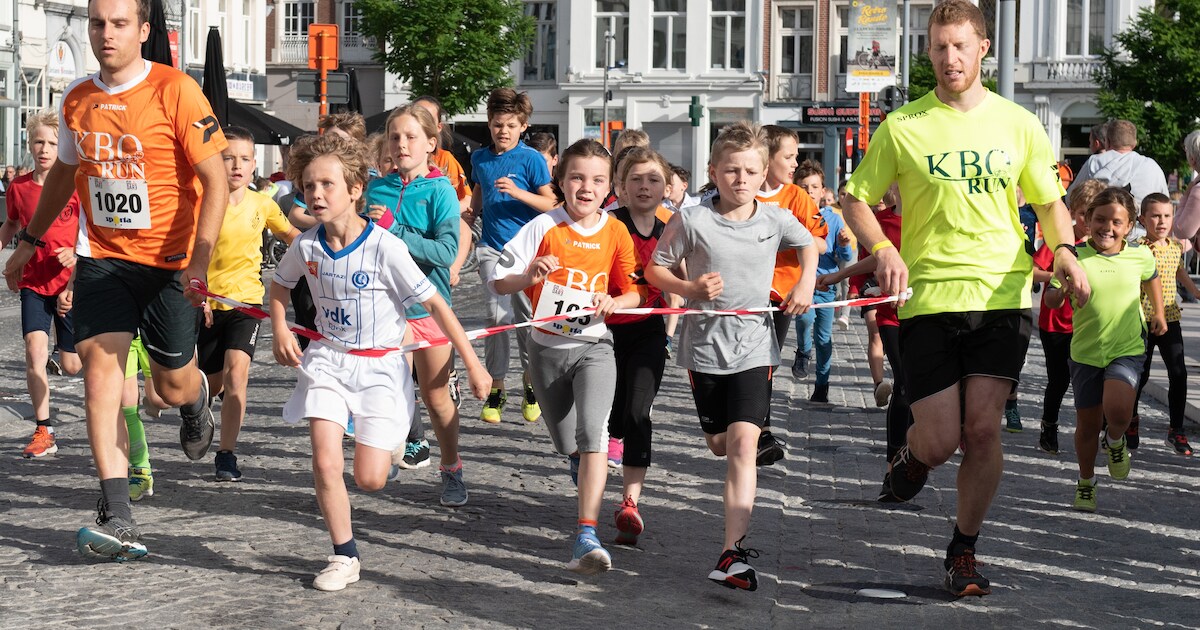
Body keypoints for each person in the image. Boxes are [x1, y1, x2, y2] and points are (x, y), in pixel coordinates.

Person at [840, 0, 1089, 597]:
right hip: (926, 298)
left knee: (982, 431)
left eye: (959, 46)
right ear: (928, 52)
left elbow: (1048, 203)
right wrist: (884, 250)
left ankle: (964, 548)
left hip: (1000, 296)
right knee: (940, 439)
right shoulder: (903, 126)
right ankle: (912, 458)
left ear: (983, 49)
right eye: (938, 46)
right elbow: (855, 200)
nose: (949, 57)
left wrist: (1065, 252)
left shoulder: (1019, 123)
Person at [2, 0, 229, 562]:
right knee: (100, 381)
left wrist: (200, 258)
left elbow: (216, 178)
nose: (106, 34)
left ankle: (197, 396)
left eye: (119, 23)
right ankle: (117, 513)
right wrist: (26, 244)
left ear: (144, 30)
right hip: (103, 260)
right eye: (97, 23)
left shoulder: (176, 91)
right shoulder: (78, 98)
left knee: (172, 386)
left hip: (170, 264)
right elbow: (66, 172)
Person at [270, 132, 488, 592]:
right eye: (309, 186)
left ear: (354, 189)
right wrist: (280, 327)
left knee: (369, 480)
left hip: (381, 369)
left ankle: (389, 440)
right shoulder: (307, 246)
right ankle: (343, 555)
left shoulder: (385, 246)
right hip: (327, 360)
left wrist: (473, 363)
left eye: (327, 185)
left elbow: (436, 307)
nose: (316, 194)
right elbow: (279, 286)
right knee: (325, 460)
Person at [646, 122, 816, 591]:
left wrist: (804, 283)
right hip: (703, 349)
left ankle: (732, 554)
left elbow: (810, 246)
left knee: (744, 445)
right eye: (731, 170)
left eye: (751, 171)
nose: (741, 179)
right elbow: (655, 270)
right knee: (720, 444)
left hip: (755, 347)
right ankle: (731, 540)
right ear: (713, 173)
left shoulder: (775, 219)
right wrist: (689, 288)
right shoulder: (693, 220)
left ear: (765, 175)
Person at [490, 138, 642, 575]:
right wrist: (527, 275)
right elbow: (500, 282)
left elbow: (633, 289)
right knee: (568, 442)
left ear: (609, 186)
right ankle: (578, 466)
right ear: (561, 182)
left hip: (596, 345)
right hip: (546, 350)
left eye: (597, 180)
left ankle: (586, 535)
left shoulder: (615, 230)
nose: (586, 188)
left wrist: (618, 302)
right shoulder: (543, 227)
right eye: (576, 177)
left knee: (594, 433)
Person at [364, 103, 474, 505]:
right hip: (384, 309)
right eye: (395, 137)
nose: (401, 144)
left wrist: (397, 230)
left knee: (436, 397)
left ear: (431, 143)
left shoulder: (440, 189)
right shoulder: (377, 188)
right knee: (388, 390)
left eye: (411, 137)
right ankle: (391, 450)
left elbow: (445, 252)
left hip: (428, 308)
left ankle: (452, 468)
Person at [1044, 187, 1165, 511]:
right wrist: (1059, 291)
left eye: (1116, 222)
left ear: (1129, 226)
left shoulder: (1139, 254)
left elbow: (1151, 277)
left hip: (1126, 347)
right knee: (1086, 425)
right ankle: (1086, 481)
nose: (1107, 228)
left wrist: (1159, 312)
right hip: (1085, 352)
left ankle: (1115, 438)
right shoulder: (1074, 256)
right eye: (1100, 219)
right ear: (1085, 221)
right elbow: (1052, 298)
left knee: (1119, 410)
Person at [199, 126, 300, 481]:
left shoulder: (263, 203)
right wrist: (198, 292)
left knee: (237, 375)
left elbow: (291, 235)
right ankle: (197, 410)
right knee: (207, 386)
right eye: (228, 158)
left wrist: (324, 256)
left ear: (255, 163)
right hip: (206, 304)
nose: (237, 166)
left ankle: (226, 454)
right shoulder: (201, 200)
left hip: (247, 302)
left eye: (244, 159)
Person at [469, 88, 557, 424]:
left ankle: (530, 383)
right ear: (489, 125)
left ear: (523, 127)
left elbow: (552, 203)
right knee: (496, 317)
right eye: (496, 125)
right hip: (491, 247)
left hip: (526, 252)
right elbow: (479, 187)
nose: (502, 131)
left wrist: (519, 193)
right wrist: (471, 212)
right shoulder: (480, 158)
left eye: (509, 125)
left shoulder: (532, 159)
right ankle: (497, 387)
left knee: (526, 322)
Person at [0, 110, 83, 458]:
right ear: (29, 145)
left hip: (69, 284)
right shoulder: (18, 188)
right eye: (39, 142)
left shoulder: (76, 184)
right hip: (33, 283)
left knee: (74, 365)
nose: (45, 149)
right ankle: (43, 429)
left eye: (52, 142)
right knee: (33, 355)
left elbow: (90, 232)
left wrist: (76, 258)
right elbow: (11, 225)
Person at [605, 147, 674, 542]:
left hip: (649, 330)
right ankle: (592, 454)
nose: (645, 186)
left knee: (638, 412)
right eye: (636, 179)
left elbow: (687, 272)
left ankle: (630, 503)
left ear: (666, 187)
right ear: (622, 187)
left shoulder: (673, 229)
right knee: (611, 417)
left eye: (653, 179)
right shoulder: (609, 224)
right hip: (603, 332)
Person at [756, 136, 827, 465]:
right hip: (742, 291)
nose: (795, 163)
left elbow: (821, 244)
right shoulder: (743, 190)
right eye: (789, 156)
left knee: (766, 360)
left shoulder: (796, 196)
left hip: (782, 291)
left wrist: (786, 240)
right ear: (767, 159)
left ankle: (761, 430)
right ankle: (746, 425)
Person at [1032, 180, 1105, 455]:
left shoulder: (1103, 245)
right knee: (1059, 379)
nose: (1088, 221)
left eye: (1094, 213)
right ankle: (1049, 426)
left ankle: (1101, 429)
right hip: (1056, 324)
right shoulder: (1060, 243)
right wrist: (1056, 276)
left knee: (1094, 378)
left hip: (1089, 325)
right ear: (1073, 211)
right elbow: (1032, 269)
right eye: (1083, 213)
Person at [1132, 193, 1199, 455]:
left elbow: (1178, 270)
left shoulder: (1174, 246)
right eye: (1155, 216)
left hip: (1171, 318)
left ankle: (1176, 429)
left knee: (1178, 373)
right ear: (1142, 219)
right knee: (1140, 374)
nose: (1161, 221)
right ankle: (1130, 421)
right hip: (1142, 320)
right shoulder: (1137, 248)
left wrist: (1194, 290)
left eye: (1167, 216)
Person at [791, 159, 852, 404]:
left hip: (826, 285)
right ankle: (803, 352)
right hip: (800, 284)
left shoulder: (834, 219)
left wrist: (846, 245)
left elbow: (843, 257)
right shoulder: (791, 215)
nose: (809, 192)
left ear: (823, 190)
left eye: (814, 187)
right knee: (804, 320)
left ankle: (822, 385)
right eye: (804, 187)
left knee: (824, 338)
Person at [1069, 119, 1169, 210]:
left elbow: (1072, 198)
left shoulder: (1094, 163)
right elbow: (1164, 203)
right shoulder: (1151, 166)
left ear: (1107, 142)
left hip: (1101, 226)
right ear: (1134, 143)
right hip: (1141, 227)